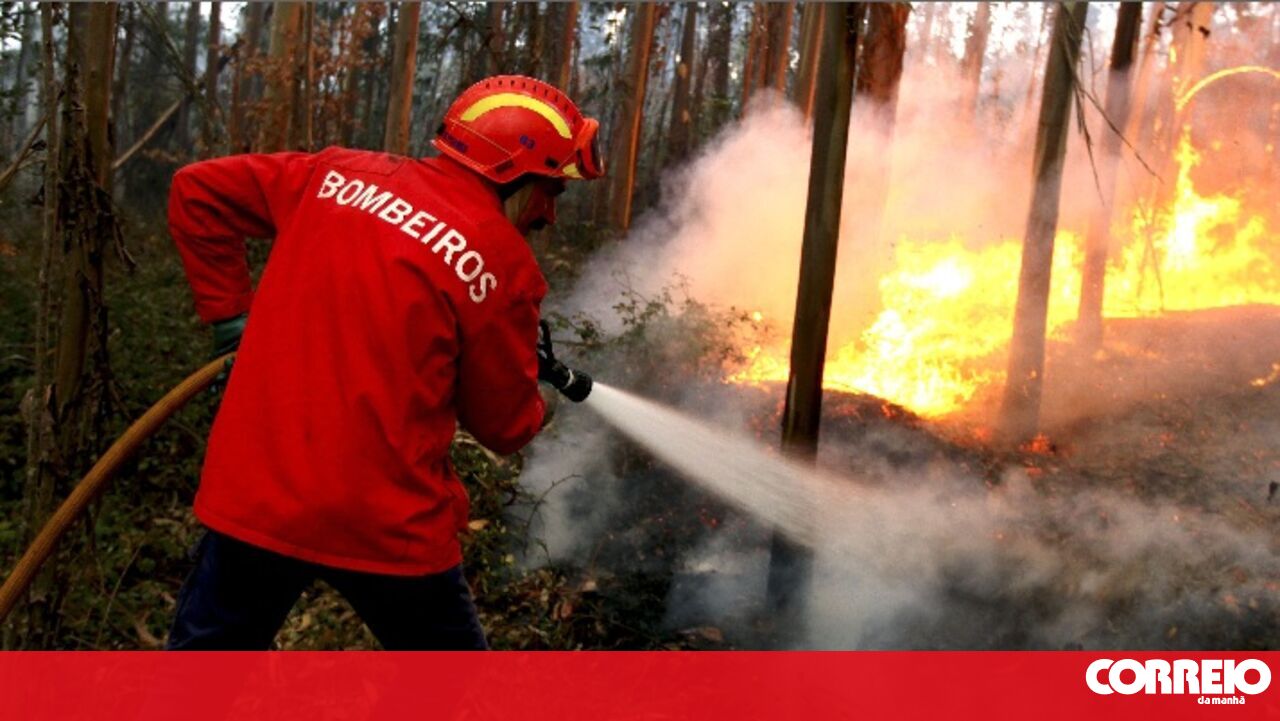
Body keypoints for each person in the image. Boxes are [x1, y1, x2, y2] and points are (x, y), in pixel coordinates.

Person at [164, 76, 601, 650]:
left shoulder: (334, 175)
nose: (548, 214)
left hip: (258, 501)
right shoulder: (500, 263)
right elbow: (504, 427)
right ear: (515, 174)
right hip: (388, 527)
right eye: (552, 191)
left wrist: (229, 321)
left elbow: (196, 192)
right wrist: (535, 401)